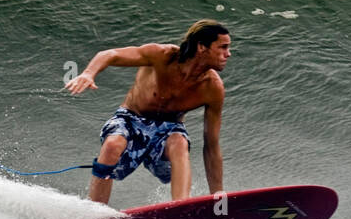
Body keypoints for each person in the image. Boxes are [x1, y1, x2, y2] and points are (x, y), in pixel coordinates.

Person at [64, 20, 228, 204]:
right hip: (130, 119)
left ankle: (181, 207)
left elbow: (211, 147)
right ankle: (94, 210)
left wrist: (218, 196)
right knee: (112, 144)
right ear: (201, 47)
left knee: (179, 143)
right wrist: (88, 73)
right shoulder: (162, 56)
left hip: (168, 130)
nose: (227, 54)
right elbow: (110, 54)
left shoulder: (213, 88)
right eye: (222, 47)